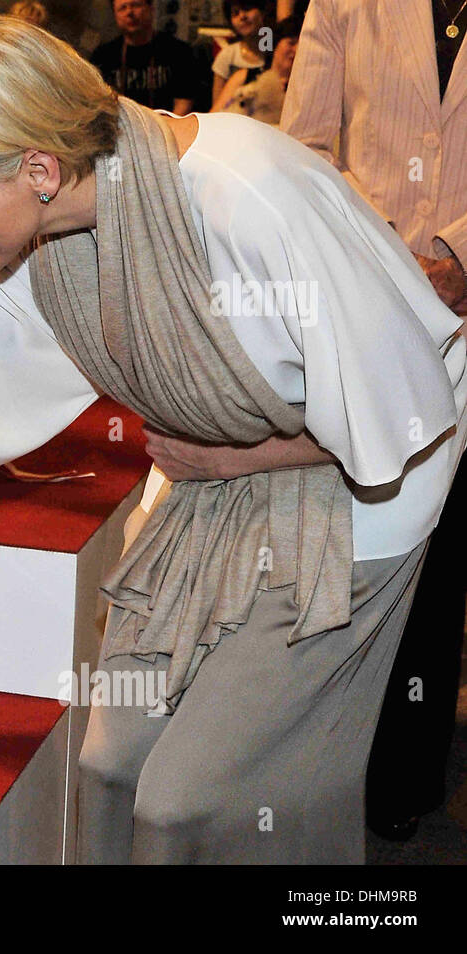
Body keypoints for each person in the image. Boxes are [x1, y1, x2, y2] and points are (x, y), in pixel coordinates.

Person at [0, 14, 467, 863]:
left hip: (365, 497)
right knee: (111, 768)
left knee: (195, 803)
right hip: (203, 489)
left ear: (40, 167)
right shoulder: (5, 249)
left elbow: (412, 415)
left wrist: (241, 457)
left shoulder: (249, 194)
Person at [282, 0, 467, 843]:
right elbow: (304, 150)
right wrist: (378, 249)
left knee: (454, 542)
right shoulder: (344, 4)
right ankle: (362, 767)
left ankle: (413, 766)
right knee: (374, 541)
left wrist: (460, 252)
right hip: (367, 311)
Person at [89, 0, 199, 114]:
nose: (129, 12)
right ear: (115, 15)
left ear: (151, 9)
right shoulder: (103, 56)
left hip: (168, 125)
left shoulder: (178, 51)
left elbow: (184, 101)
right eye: (122, 8)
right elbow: (97, 103)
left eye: (135, 5)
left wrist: (168, 129)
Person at [214, 14, 300, 124]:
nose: (297, 50)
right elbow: (215, 117)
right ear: (276, 44)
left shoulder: (302, 88)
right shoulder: (244, 76)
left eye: (302, 45)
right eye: (291, 43)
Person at [211, 0, 270, 106]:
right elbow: (217, 107)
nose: (242, 16)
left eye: (247, 9)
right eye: (235, 13)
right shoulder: (227, 56)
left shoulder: (273, 53)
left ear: (262, 12)